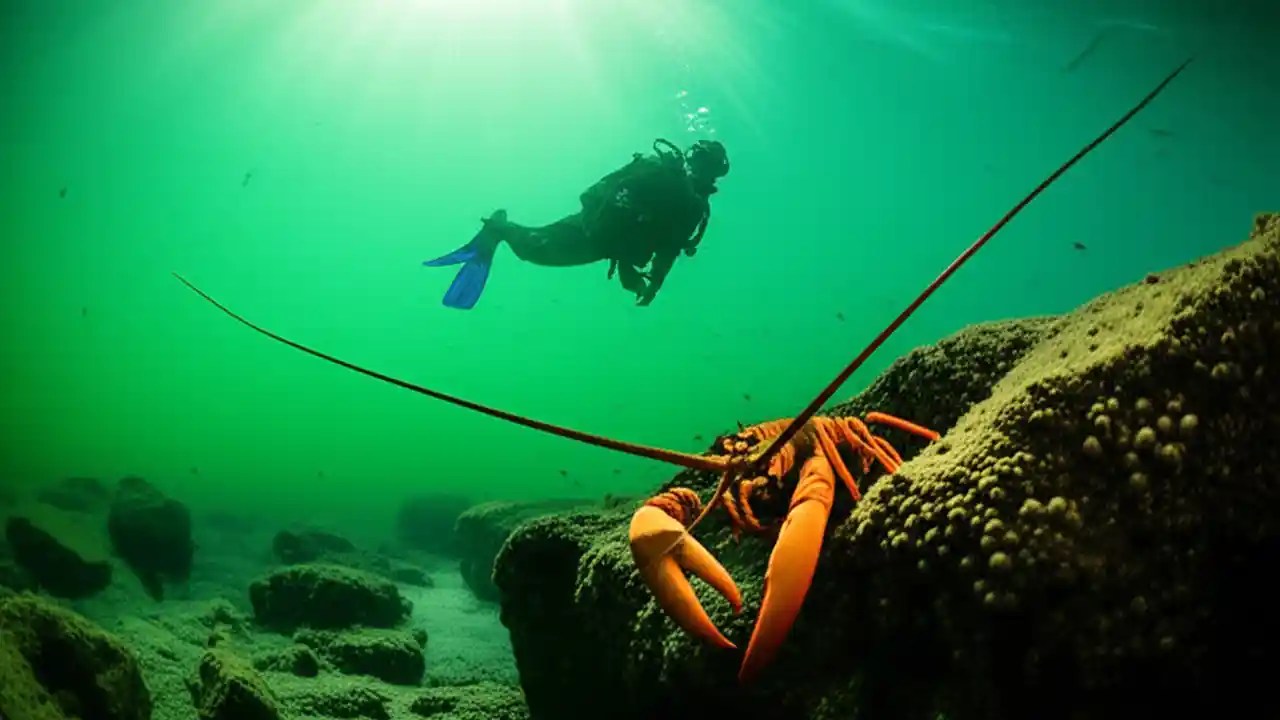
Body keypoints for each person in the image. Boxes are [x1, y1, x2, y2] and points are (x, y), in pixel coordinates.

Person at [423, 138, 730, 309]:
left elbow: (669, 246)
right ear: (692, 161)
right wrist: (631, 267)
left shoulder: (693, 207)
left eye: (711, 169)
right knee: (534, 251)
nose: (704, 173)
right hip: (590, 231)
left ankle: (500, 228)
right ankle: (499, 228)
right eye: (702, 164)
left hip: (601, 241)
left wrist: (654, 281)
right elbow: (624, 212)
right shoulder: (662, 176)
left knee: (535, 250)